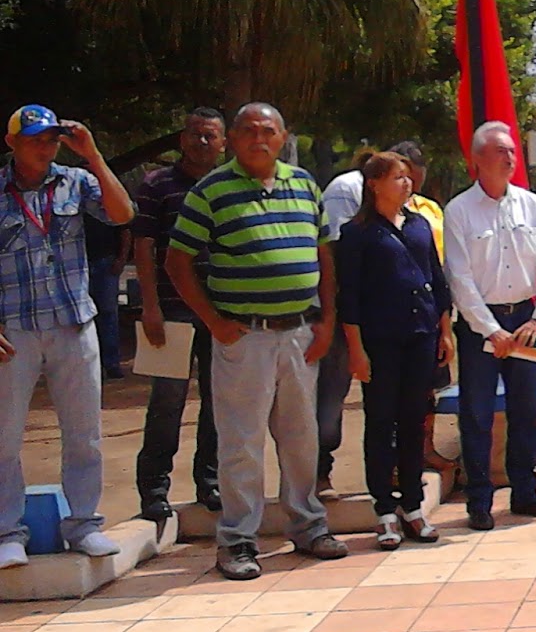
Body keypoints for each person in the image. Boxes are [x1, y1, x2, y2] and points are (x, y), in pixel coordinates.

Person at [167, 103, 347, 580]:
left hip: (299, 333)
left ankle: (308, 527)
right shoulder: (212, 190)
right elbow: (177, 261)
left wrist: (327, 320)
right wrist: (213, 321)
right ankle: (237, 540)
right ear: (231, 138)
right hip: (243, 335)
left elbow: (323, 255)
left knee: (300, 437)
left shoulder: (304, 184)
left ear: (283, 135)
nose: (258, 139)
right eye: (247, 131)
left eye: (267, 131)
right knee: (241, 441)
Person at [0, 106, 134, 570]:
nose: (45, 146)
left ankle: (83, 525)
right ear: (11, 142)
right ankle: (7, 533)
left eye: (52, 138)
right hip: (14, 329)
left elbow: (122, 214)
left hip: (74, 323)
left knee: (84, 434)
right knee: (5, 436)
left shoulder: (76, 182)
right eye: (35, 138)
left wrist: (93, 156)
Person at [443, 121, 536, 528]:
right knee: (477, 414)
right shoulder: (459, 210)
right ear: (477, 159)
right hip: (483, 325)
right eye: (500, 151)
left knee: (525, 410)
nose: (510, 158)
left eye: (513, 150)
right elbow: (458, 278)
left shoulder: (531, 205)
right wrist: (489, 329)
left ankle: (525, 492)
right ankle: (479, 500)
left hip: (525, 321)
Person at [337, 152, 452, 548]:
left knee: (413, 420)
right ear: (375, 183)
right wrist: (356, 348)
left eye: (408, 177)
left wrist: (445, 330)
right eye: (397, 177)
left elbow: (436, 280)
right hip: (380, 341)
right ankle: (384, 510)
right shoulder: (357, 234)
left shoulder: (418, 225)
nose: (406, 183)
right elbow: (348, 297)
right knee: (381, 423)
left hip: (421, 335)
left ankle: (413, 506)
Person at [133, 106, 226, 521]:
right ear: (182, 139)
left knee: (218, 400)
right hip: (170, 312)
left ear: (224, 143)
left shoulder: (230, 185)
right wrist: (149, 307)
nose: (202, 142)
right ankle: (154, 489)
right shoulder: (157, 184)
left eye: (211, 136)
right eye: (195, 134)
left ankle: (210, 482)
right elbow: (143, 247)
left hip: (222, 311)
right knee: (167, 403)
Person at [313, 149, 368, 498]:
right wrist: (334, 315)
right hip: (341, 315)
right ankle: (319, 472)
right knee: (329, 397)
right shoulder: (345, 190)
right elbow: (331, 257)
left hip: (377, 316)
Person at [85, 214, 129, 380]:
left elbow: (125, 230)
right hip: (80, 266)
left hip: (106, 262)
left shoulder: (107, 201)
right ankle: (90, 366)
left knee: (108, 314)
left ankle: (111, 364)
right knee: (84, 319)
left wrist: (122, 259)